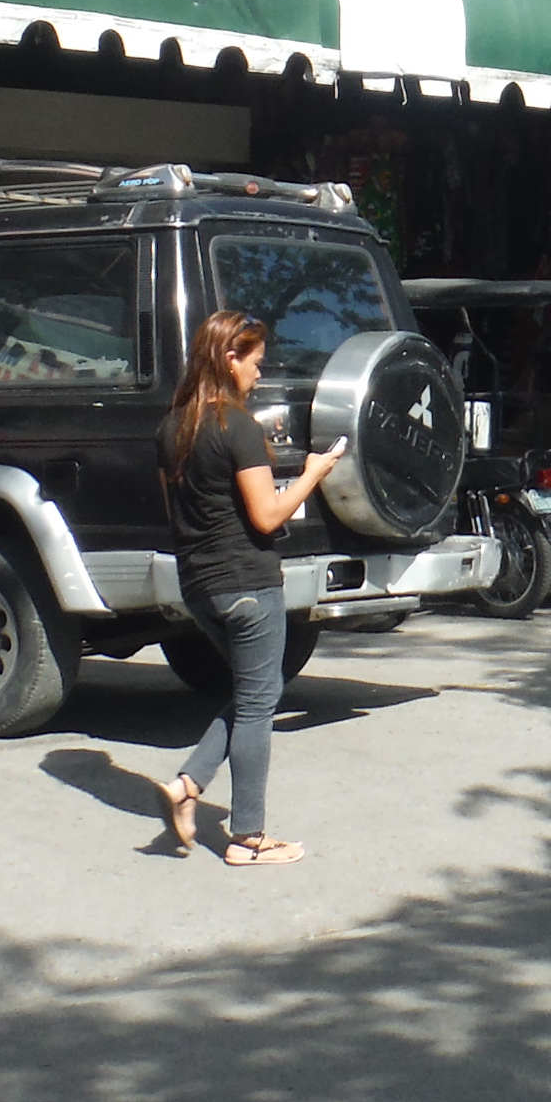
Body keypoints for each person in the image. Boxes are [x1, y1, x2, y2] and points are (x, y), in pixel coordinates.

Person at [155, 310, 345, 866]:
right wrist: (313, 472)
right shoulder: (236, 427)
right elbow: (265, 516)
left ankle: (188, 783)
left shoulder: (171, 429)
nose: (259, 376)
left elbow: (179, 513)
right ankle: (248, 838)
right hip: (248, 584)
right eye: (255, 364)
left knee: (252, 694)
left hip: (200, 583)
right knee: (260, 703)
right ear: (229, 358)